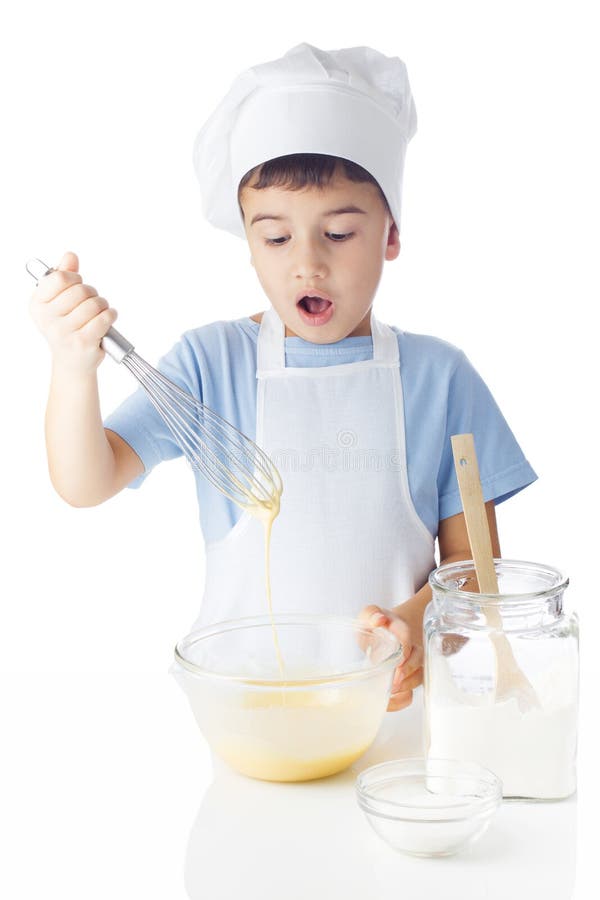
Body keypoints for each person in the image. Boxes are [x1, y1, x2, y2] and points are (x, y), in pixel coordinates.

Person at [29, 43, 537, 713]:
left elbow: (476, 573)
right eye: (275, 238)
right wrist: (73, 369)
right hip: (248, 720)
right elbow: (85, 480)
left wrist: (412, 628)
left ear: (390, 233)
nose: (307, 265)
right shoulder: (212, 365)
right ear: (247, 242)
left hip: (393, 720)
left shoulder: (443, 380)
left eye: (339, 233)